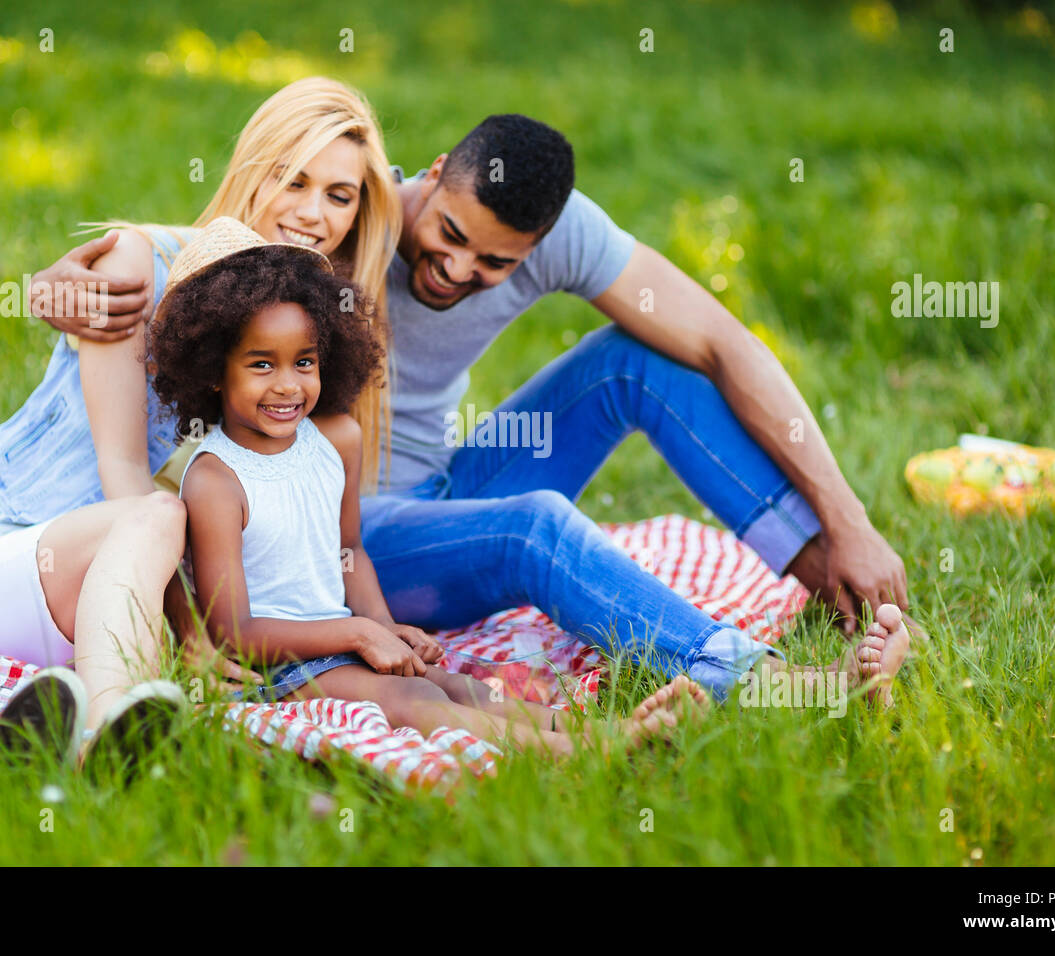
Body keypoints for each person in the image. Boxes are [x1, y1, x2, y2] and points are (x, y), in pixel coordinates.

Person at [32, 108, 914, 705]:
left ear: (540, 242)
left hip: (445, 490)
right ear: (437, 174)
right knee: (534, 526)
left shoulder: (565, 233)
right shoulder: (352, 215)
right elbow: (216, 245)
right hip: (348, 533)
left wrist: (850, 524)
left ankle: (833, 585)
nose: (457, 269)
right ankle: (759, 682)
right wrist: (77, 276)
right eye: (449, 235)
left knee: (643, 365)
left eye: (494, 263)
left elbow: (726, 343)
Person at [0, 77, 402, 763]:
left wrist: (370, 633)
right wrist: (191, 629)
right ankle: (104, 725)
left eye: (340, 195)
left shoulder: (300, 323)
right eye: (292, 180)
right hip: (49, 568)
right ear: (253, 171)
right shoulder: (140, 264)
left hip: (152, 615)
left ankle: (103, 733)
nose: (314, 212)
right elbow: (123, 475)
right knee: (162, 515)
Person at [151, 216, 705, 753]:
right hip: (275, 667)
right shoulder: (215, 480)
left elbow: (349, 552)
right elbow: (233, 632)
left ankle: (596, 732)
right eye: (261, 365)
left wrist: (385, 626)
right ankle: (581, 756)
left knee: (454, 684)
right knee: (410, 697)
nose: (289, 385)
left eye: (304, 361)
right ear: (210, 370)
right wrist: (356, 637)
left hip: (344, 639)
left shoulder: (337, 438)